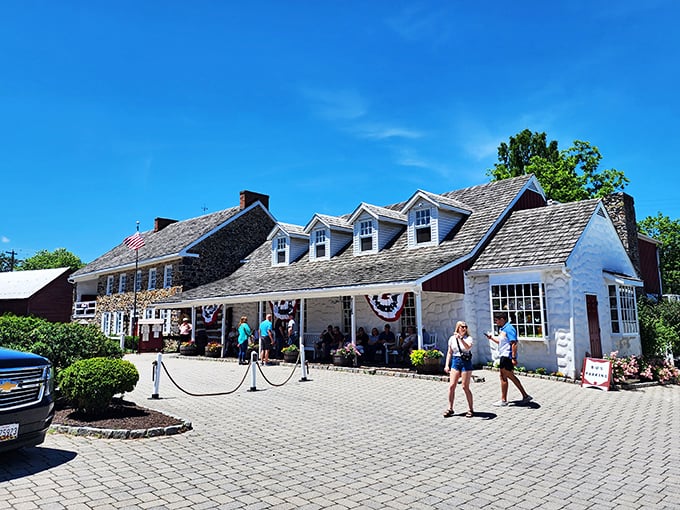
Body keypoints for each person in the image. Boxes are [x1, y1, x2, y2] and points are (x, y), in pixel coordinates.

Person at [486, 312, 532, 406]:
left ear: (502, 319)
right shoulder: (503, 329)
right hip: (503, 355)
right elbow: (501, 342)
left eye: (497, 320)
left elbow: (514, 343)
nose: (496, 322)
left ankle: (505, 400)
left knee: (506, 376)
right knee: (507, 376)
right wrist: (491, 338)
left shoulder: (509, 328)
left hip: (507, 356)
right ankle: (523, 396)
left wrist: (514, 358)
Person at [443, 321, 474, 418]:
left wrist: (461, 339)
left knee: (465, 386)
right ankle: (450, 408)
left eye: (465, 327)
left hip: (465, 361)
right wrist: (447, 365)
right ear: (458, 328)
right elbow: (449, 352)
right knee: (452, 386)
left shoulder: (468, 338)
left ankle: (470, 409)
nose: (464, 328)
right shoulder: (452, 339)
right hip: (455, 361)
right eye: (462, 327)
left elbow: (468, 347)